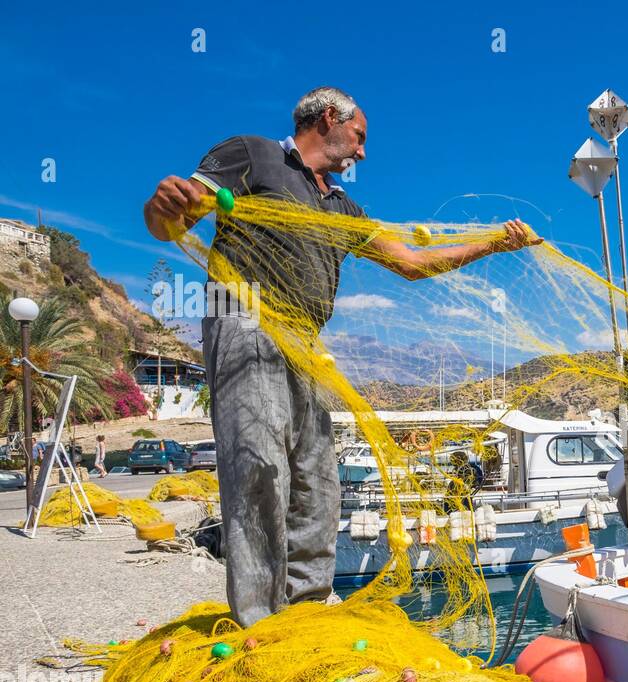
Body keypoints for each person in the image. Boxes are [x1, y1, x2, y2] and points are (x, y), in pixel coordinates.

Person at [143, 86, 540, 626]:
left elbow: (412, 264)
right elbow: (176, 217)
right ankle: (261, 622)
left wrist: (492, 244)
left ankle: (306, 613)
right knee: (258, 465)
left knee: (318, 480)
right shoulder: (254, 154)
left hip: (306, 342)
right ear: (330, 118)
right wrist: (165, 211)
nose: (363, 153)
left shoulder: (340, 203)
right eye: (359, 137)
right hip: (245, 318)